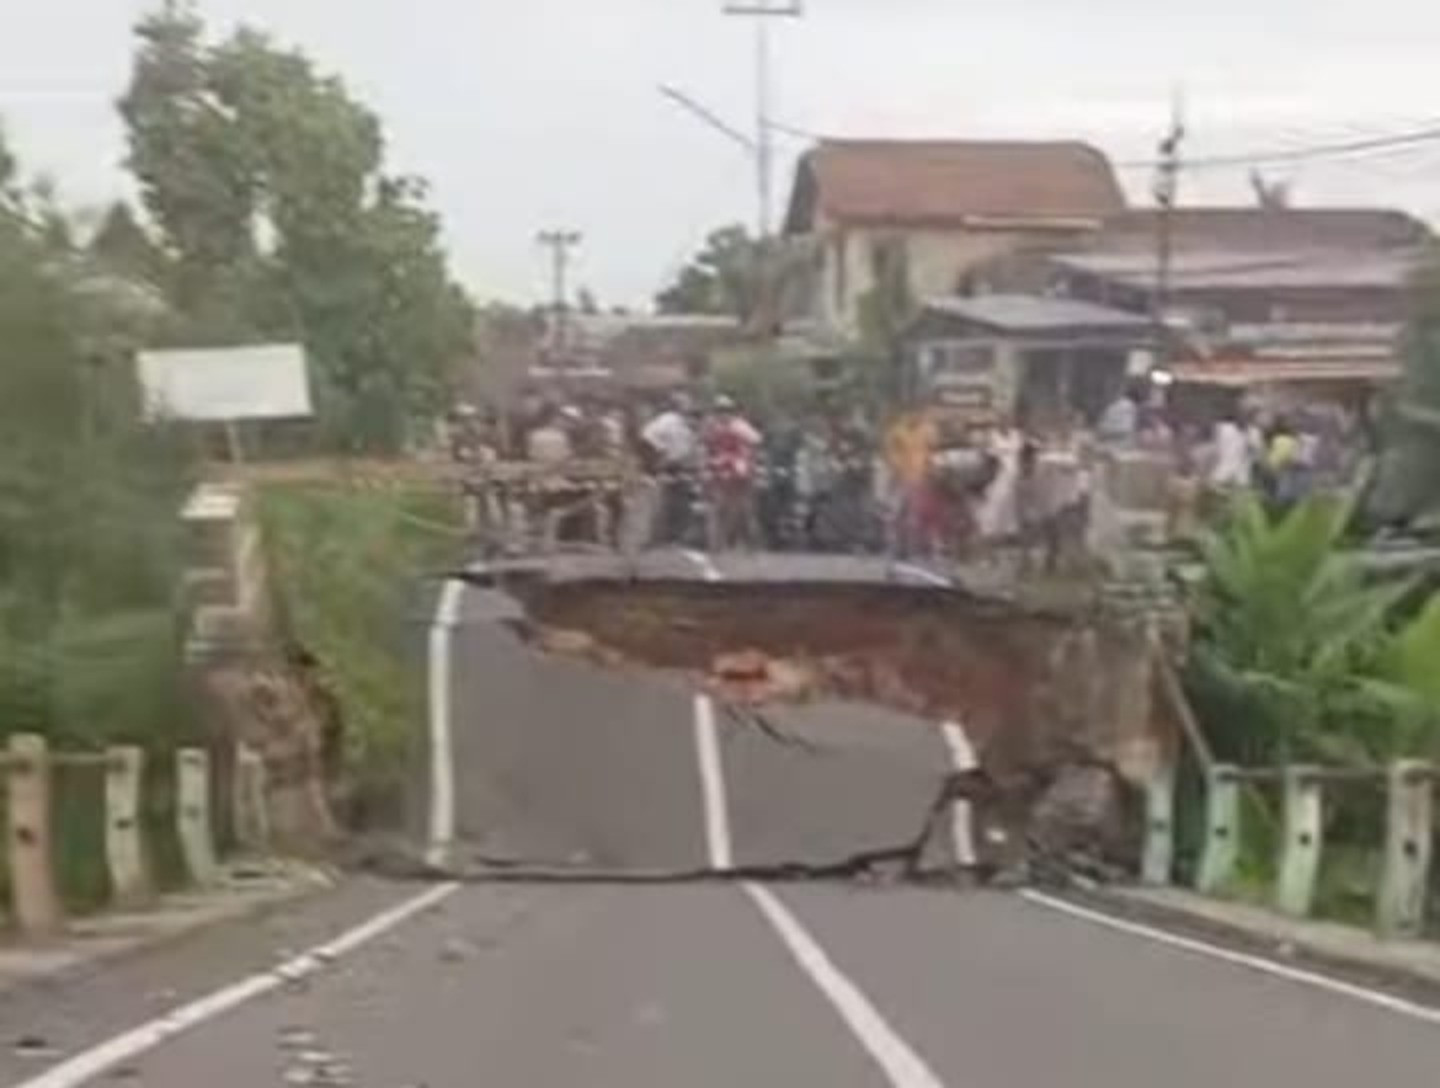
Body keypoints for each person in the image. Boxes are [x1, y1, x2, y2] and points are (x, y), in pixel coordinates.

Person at [702, 395, 762, 550]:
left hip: (738, 468)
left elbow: (756, 441)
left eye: (726, 411)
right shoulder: (712, 427)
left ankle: (748, 540)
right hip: (720, 468)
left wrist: (746, 455)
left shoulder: (739, 426)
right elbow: (706, 447)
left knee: (743, 506)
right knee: (718, 504)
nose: (723, 414)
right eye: (720, 411)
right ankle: (718, 540)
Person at [640, 397, 699, 544]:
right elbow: (648, 438)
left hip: (674, 464)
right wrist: (661, 455)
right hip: (663, 463)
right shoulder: (670, 421)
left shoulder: (683, 425)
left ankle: (672, 535)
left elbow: (686, 451)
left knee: (677, 498)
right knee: (665, 499)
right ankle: (663, 535)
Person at [884, 408, 939, 557]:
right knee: (896, 512)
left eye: (917, 414)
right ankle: (894, 545)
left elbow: (933, 448)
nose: (914, 417)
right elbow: (890, 452)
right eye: (911, 414)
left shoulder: (924, 431)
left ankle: (917, 547)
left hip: (920, 477)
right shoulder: (897, 431)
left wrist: (930, 467)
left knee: (917, 514)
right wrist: (896, 467)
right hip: (901, 477)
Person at [1209, 410, 1253, 489]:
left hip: (1237, 465)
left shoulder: (1246, 434)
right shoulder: (1226, 429)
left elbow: (1249, 449)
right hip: (1226, 463)